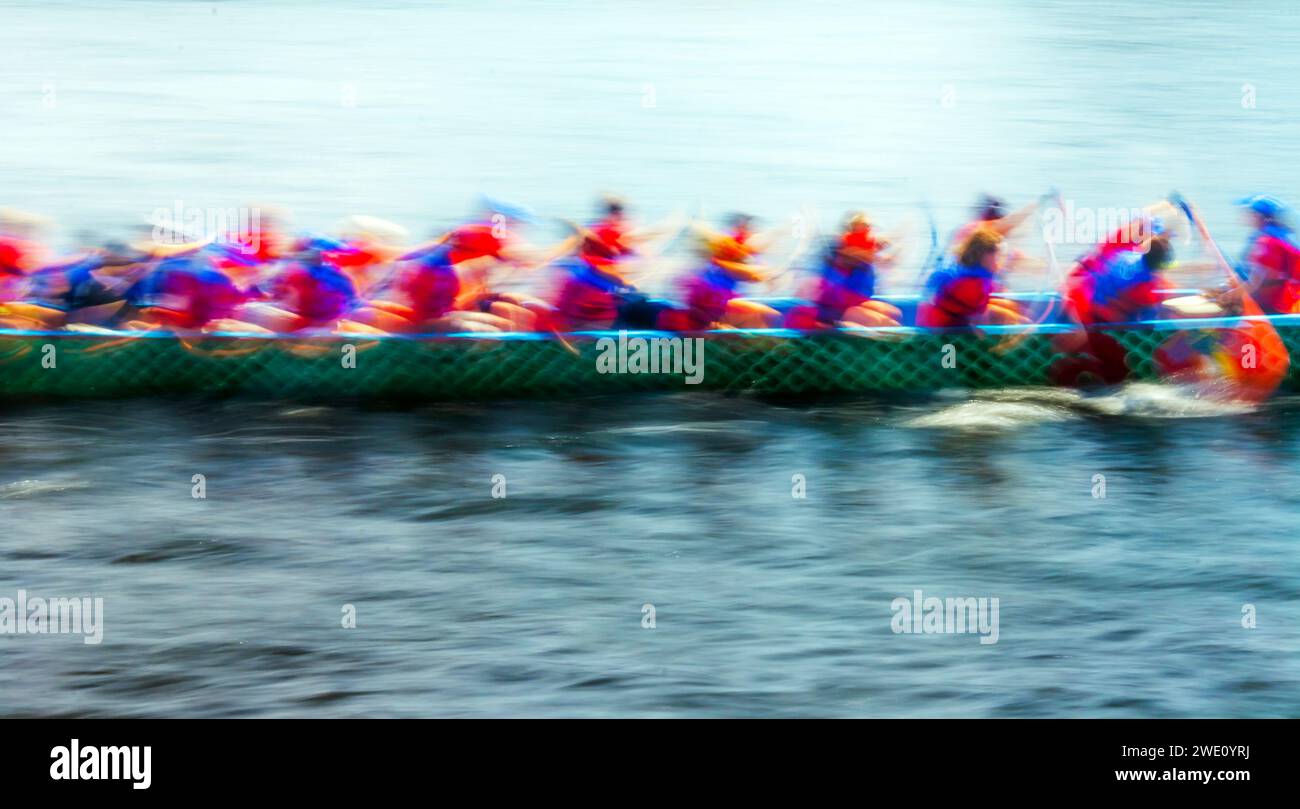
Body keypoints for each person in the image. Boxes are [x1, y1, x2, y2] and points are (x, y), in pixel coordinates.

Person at [659, 214, 781, 330]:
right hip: (713, 306)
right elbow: (750, 273)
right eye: (747, 228)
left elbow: (751, 265)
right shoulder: (726, 247)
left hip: (714, 304)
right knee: (768, 316)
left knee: (766, 315)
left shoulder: (734, 246)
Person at [784, 212, 903, 329]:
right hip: (830, 309)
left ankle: (860, 332)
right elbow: (846, 258)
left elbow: (870, 263)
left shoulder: (865, 259)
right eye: (856, 235)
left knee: (892, 313)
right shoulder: (834, 254)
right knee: (865, 317)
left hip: (851, 304)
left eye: (864, 233)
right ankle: (840, 328)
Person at [917, 226, 1025, 328]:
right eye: (999, 256)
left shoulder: (971, 272)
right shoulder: (971, 285)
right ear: (985, 256)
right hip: (944, 330)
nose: (1002, 260)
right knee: (1013, 319)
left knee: (1010, 307)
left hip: (954, 316)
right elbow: (973, 315)